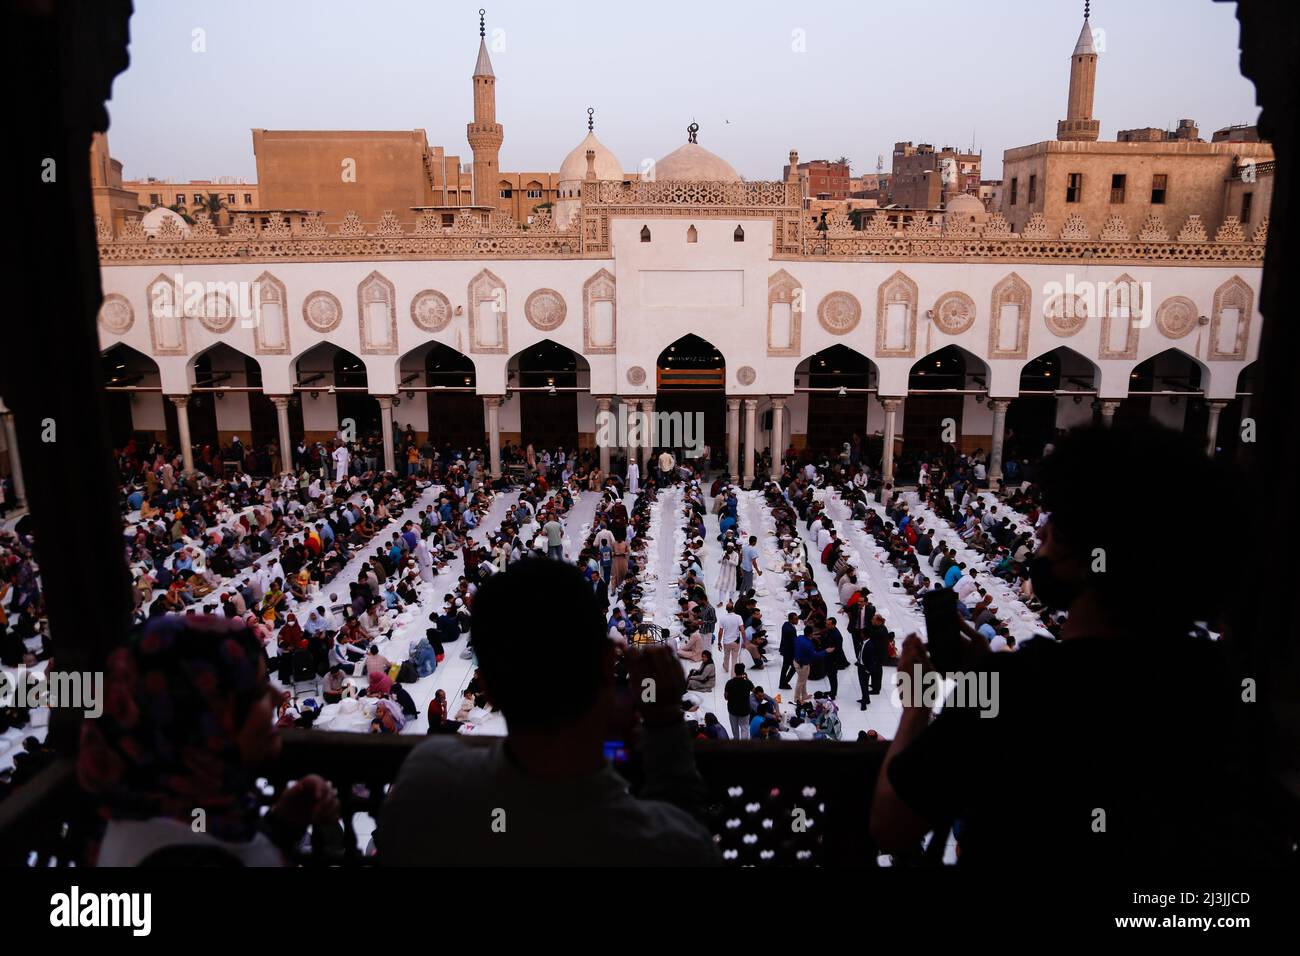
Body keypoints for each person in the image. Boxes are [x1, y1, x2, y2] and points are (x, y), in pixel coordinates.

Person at [871, 423, 1274, 869]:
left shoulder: (1018, 687)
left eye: (1058, 529)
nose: (1040, 539)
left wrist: (917, 703)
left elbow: (892, 825)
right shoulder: (1217, 682)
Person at [378, 558, 718, 865]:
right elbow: (686, 833)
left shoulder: (426, 782)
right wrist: (664, 721)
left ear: (488, 689)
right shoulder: (660, 845)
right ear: (607, 663)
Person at [78, 616, 340, 866]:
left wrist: (283, 825)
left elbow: (207, 837)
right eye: (257, 691)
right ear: (201, 723)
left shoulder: (181, 811)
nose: (276, 698)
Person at [723, 663, 754, 741]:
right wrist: (747, 679)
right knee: (744, 728)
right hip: (745, 710)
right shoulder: (747, 683)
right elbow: (754, 690)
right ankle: (744, 746)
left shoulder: (729, 683)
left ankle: (736, 741)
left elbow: (726, 697)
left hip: (732, 709)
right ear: (743, 672)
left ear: (734, 671)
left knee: (734, 727)